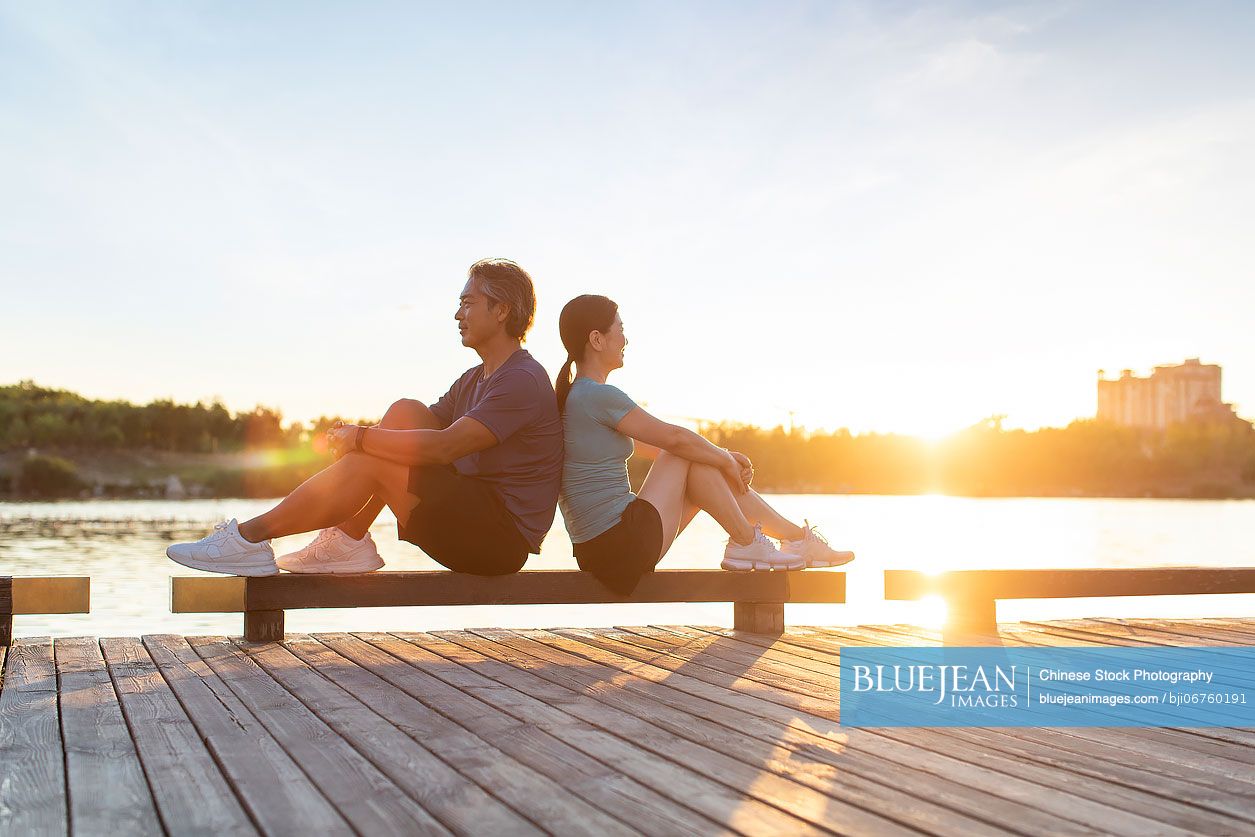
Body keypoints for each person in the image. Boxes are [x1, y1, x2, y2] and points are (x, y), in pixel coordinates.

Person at [166, 259, 562, 577]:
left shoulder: (522, 379)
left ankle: (248, 539)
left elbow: (444, 448)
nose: (458, 314)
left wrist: (360, 439)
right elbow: (414, 428)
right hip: (471, 512)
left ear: (501, 310)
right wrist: (366, 439)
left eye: (468, 303)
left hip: (498, 539)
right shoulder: (475, 378)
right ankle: (348, 538)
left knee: (372, 458)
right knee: (404, 411)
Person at [555, 294, 853, 595]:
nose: (626, 340)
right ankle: (751, 541)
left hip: (602, 552)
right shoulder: (597, 396)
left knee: (698, 463)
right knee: (688, 454)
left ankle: (790, 540)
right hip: (618, 546)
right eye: (620, 329)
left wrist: (721, 457)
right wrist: (724, 459)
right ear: (597, 339)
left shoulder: (578, 397)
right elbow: (675, 441)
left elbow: (664, 448)